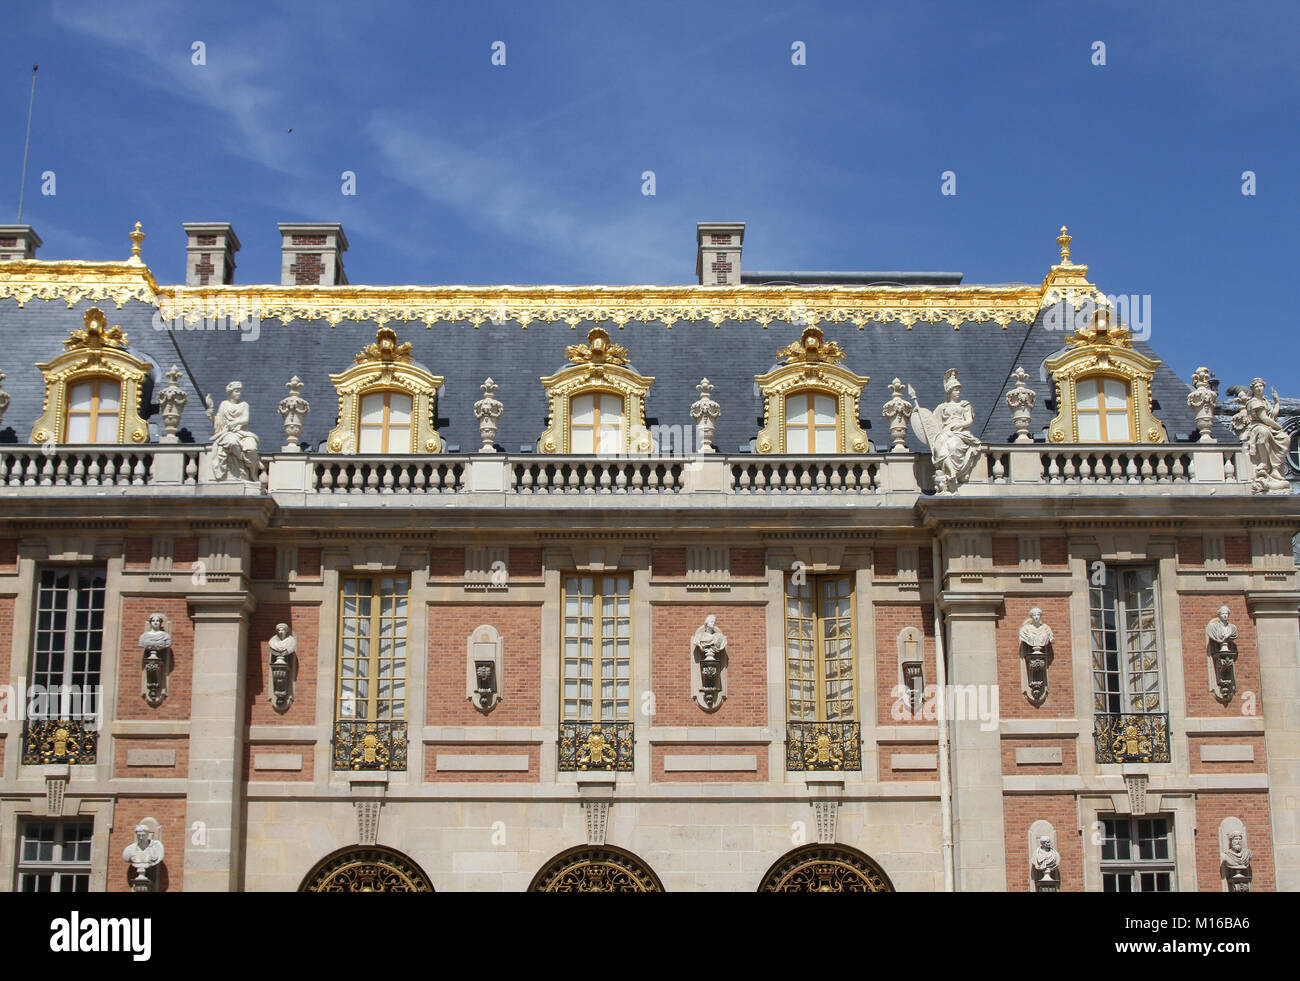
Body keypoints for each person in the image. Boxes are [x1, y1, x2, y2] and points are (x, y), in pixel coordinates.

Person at [1230, 377, 1289, 492]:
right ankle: (1264, 463)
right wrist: (1279, 427)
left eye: (1260, 386)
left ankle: (1275, 469)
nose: (1259, 388)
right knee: (1264, 433)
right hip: (1257, 426)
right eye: (1256, 386)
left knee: (1285, 438)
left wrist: (1277, 402)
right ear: (1253, 389)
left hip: (1269, 426)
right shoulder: (1254, 402)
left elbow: (1273, 415)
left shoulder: (1265, 401)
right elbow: (1263, 418)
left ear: (1264, 387)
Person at [205, 381, 260, 480]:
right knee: (232, 442)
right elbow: (219, 422)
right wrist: (210, 415)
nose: (239, 393)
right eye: (236, 391)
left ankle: (252, 472)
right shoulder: (224, 404)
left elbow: (246, 419)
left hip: (242, 433)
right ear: (230, 392)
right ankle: (245, 460)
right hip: (228, 432)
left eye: (239, 391)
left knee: (251, 448)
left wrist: (234, 423)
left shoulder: (244, 405)